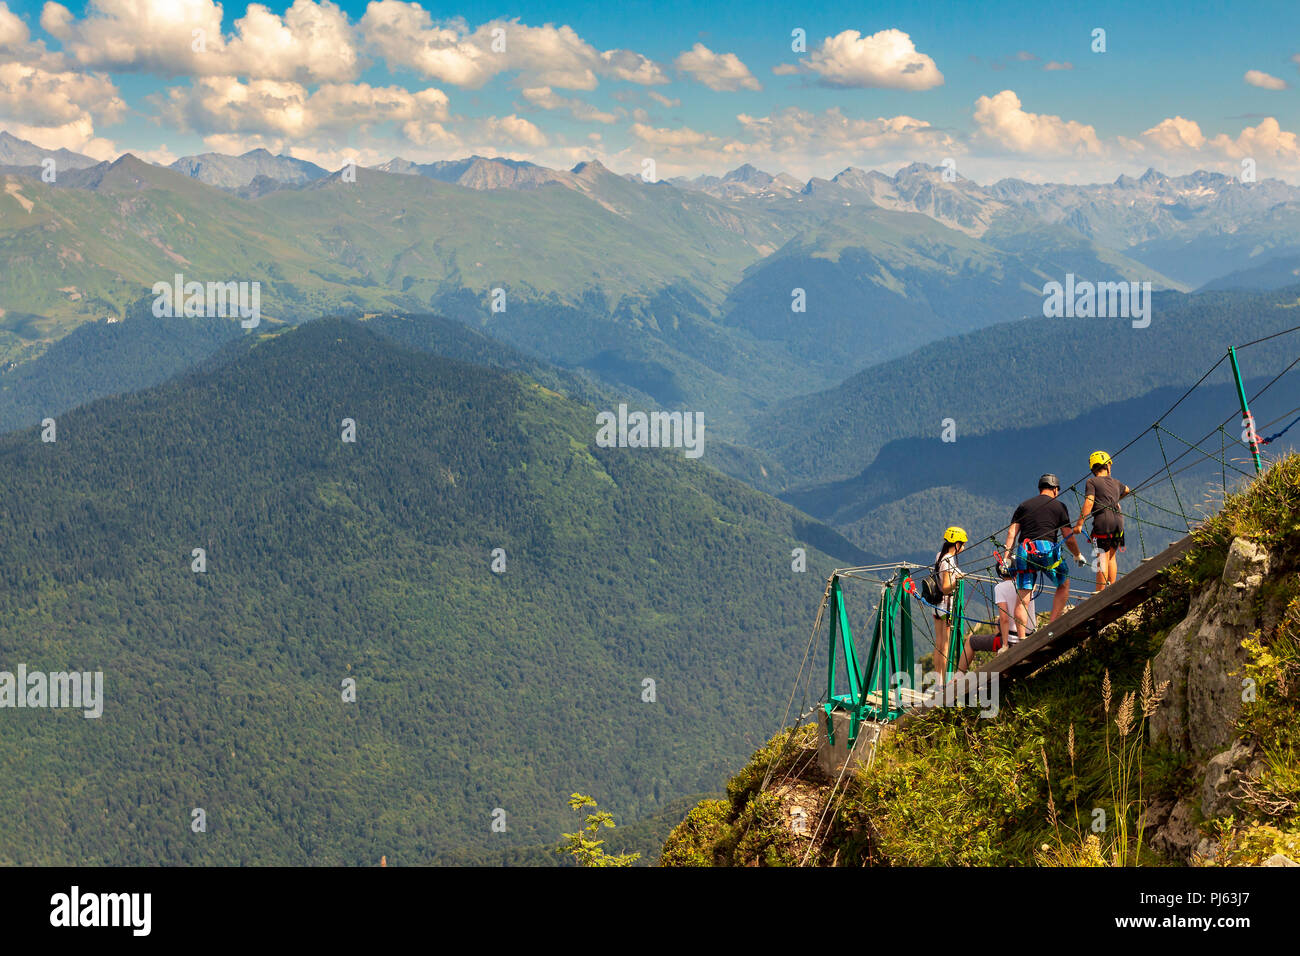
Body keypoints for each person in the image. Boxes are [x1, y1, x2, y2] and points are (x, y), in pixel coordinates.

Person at [1002, 474, 1087, 640]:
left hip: (1025, 551)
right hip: (1047, 549)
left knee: (1023, 596)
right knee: (1063, 584)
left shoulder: (1024, 506)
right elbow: (1068, 535)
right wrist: (1077, 555)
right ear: (1055, 489)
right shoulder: (1059, 506)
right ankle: (1052, 625)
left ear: (1041, 488)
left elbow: (1012, 532)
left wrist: (1007, 557)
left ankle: (1021, 639)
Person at [955, 562, 1035, 672]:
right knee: (998, 621)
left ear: (1000, 573)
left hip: (1012, 641)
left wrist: (1005, 645)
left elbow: (1004, 618)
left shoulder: (1000, 588)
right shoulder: (1028, 585)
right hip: (1030, 636)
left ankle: (958, 675)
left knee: (971, 641)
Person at [1074, 451, 1131, 592]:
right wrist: (1115, 500)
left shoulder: (1091, 482)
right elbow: (1127, 490)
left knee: (1101, 557)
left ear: (1093, 468)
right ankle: (1112, 589)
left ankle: (1099, 593)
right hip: (1118, 521)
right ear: (1108, 466)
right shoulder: (1116, 482)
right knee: (1112, 556)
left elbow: (1090, 500)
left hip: (1102, 522)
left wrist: (1079, 523)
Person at [931, 526, 966, 677]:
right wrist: (957, 580)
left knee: (938, 645)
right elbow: (946, 588)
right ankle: (944, 682)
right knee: (945, 646)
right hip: (946, 605)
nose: (964, 546)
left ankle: (938, 680)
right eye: (962, 543)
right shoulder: (949, 560)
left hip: (936, 606)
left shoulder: (940, 555)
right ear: (956, 544)